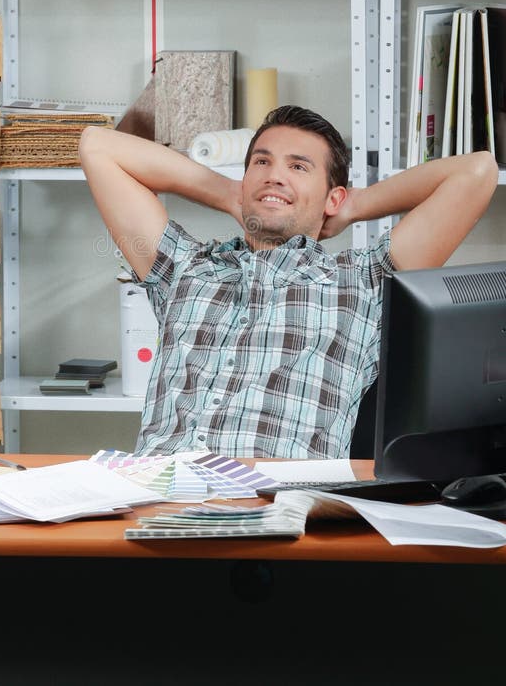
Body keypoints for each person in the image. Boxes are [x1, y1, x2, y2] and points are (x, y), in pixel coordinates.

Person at [79, 105, 498, 458]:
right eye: (262, 162)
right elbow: (97, 146)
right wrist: (229, 192)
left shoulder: (362, 284)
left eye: (298, 167)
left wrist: (352, 206)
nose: (274, 175)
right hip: (156, 505)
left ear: (333, 196)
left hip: (276, 515)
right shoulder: (185, 268)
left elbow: (476, 171)